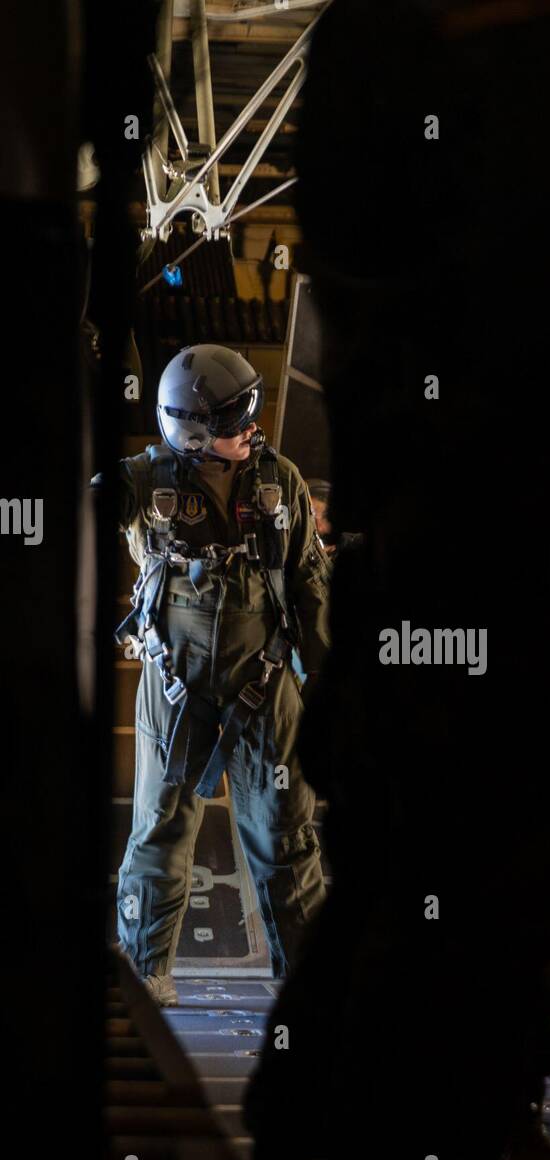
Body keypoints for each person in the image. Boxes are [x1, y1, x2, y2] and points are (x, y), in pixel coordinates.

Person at [92, 343, 331, 1005]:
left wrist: (332, 691)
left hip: (266, 683)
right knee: (160, 828)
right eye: (235, 418)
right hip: (176, 684)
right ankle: (148, 973)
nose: (252, 426)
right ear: (195, 429)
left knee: (287, 833)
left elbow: (312, 589)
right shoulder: (147, 482)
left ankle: (305, 985)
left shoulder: (278, 482)